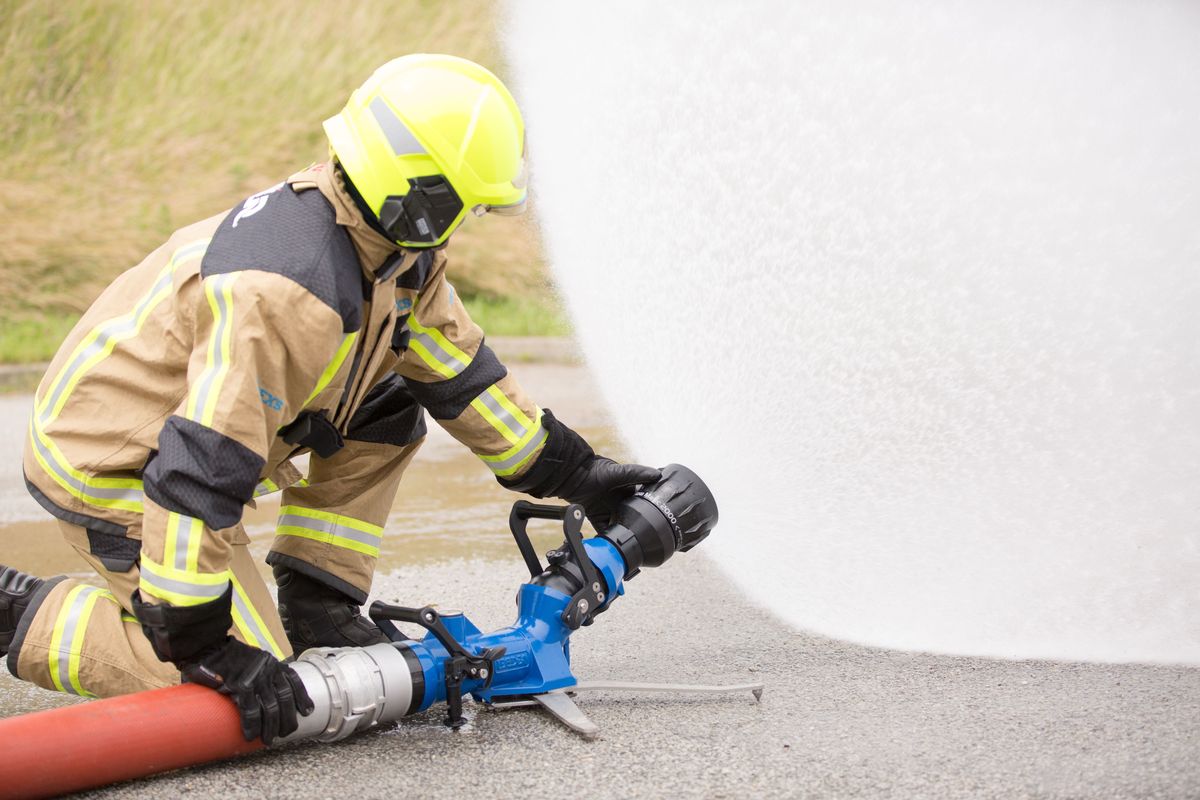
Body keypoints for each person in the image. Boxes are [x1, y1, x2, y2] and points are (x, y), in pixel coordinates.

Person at [0, 54, 659, 745]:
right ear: (425, 196)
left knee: (391, 399)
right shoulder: (286, 290)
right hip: (111, 459)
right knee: (242, 695)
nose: (469, 223)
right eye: (467, 205)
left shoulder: (391, 250)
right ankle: (21, 614)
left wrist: (584, 477)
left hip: (193, 437)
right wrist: (199, 637)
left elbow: (462, 379)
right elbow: (197, 472)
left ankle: (318, 595)